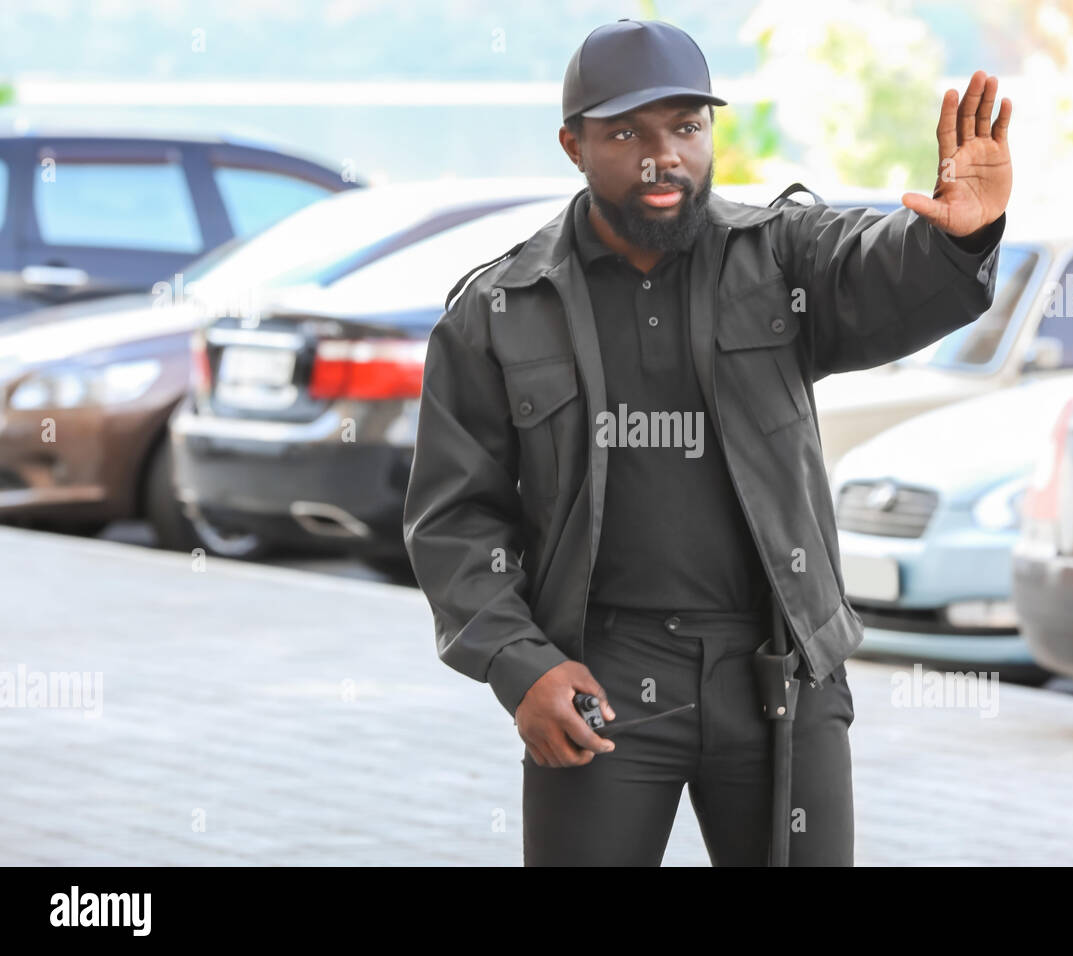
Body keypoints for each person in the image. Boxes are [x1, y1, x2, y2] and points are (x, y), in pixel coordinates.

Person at [403, 17, 1012, 866]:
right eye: (628, 134)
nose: (666, 157)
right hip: (600, 678)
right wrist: (520, 665)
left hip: (778, 668)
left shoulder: (781, 257)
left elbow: (877, 271)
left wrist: (956, 239)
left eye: (687, 127)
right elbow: (453, 518)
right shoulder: (501, 309)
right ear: (573, 146)